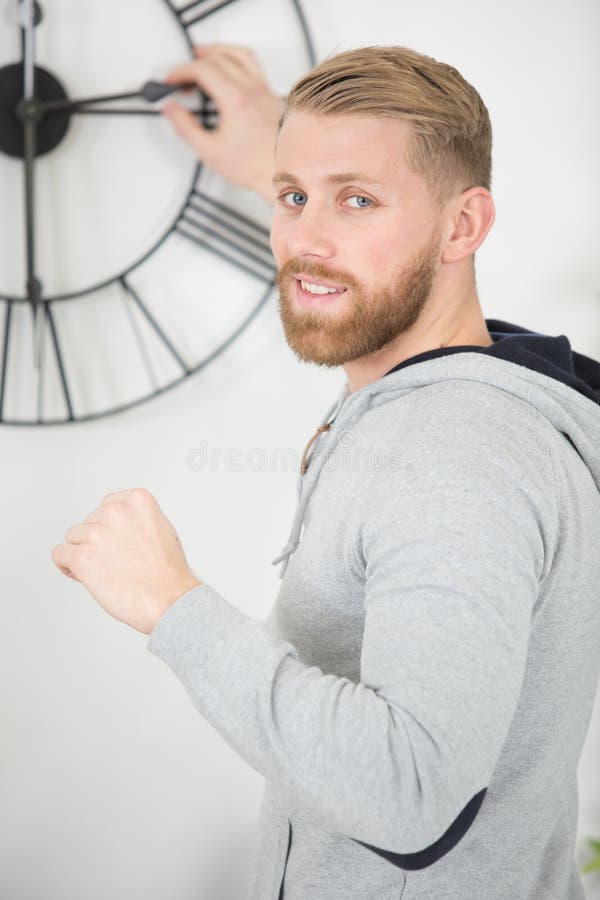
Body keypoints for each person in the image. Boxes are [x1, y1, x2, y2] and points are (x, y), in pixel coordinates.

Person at [51, 44, 600, 900]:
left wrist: (172, 605)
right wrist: (292, 166)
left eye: (358, 200)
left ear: (463, 227)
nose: (304, 241)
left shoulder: (453, 455)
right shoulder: (474, 396)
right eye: (293, 197)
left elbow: (412, 796)